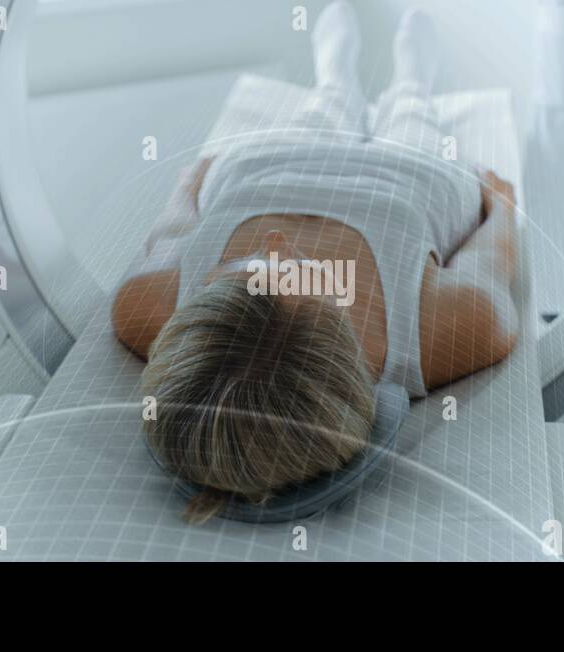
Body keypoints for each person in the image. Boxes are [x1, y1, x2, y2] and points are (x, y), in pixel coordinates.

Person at [112, 2, 519, 524]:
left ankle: (335, 76)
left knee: (320, 112)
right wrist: (503, 206)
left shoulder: (142, 308)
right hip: (409, 178)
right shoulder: (452, 331)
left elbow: (170, 229)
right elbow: (492, 257)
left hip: (270, 166)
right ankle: (412, 82)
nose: (279, 243)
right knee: (415, 118)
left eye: (245, 272)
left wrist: (187, 184)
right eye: (303, 275)